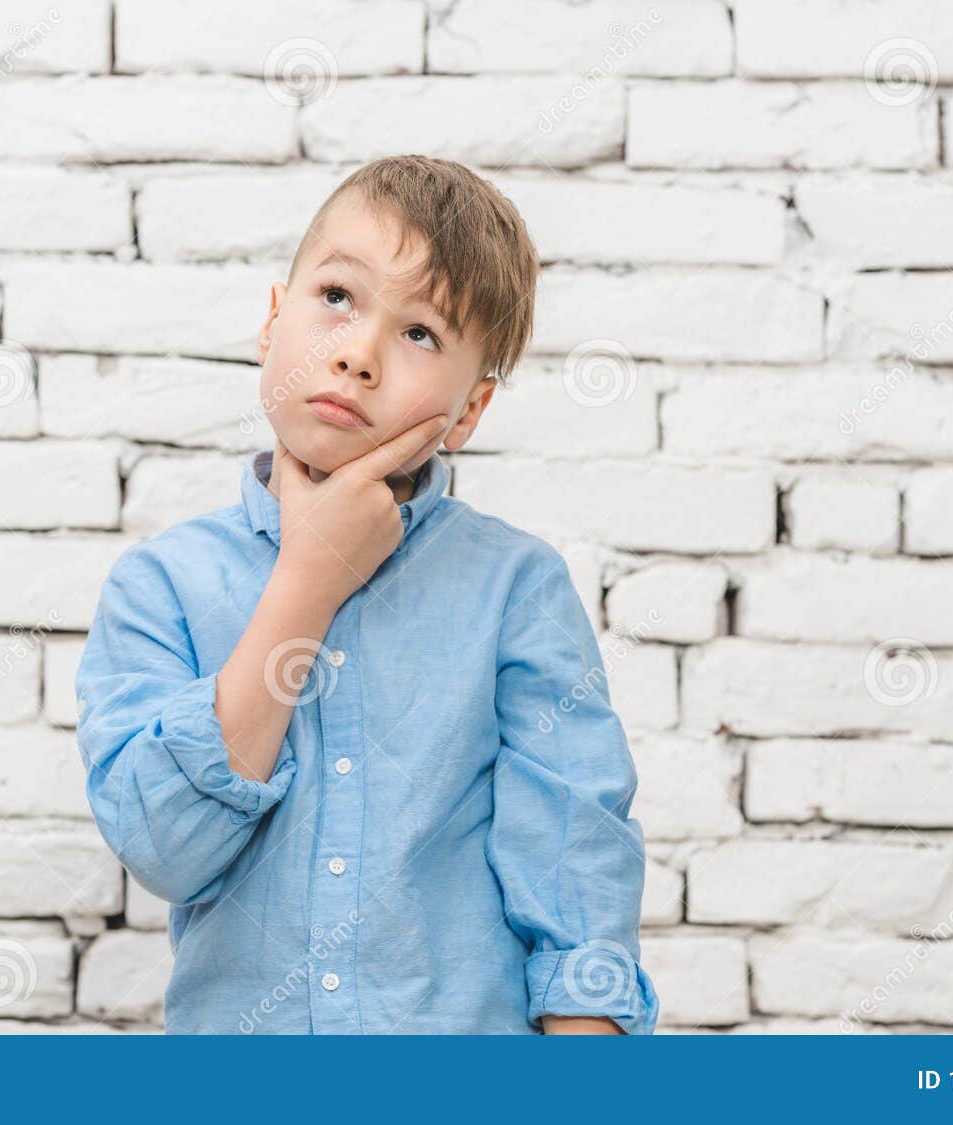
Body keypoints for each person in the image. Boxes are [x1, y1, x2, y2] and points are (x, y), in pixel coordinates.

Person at [75, 154, 658, 1034]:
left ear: (468, 413)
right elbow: (166, 849)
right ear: (274, 322)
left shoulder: (516, 589)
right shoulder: (161, 586)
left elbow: (575, 877)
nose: (359, 354)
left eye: (421, 333)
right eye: (338, 299)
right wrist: (309, 580)